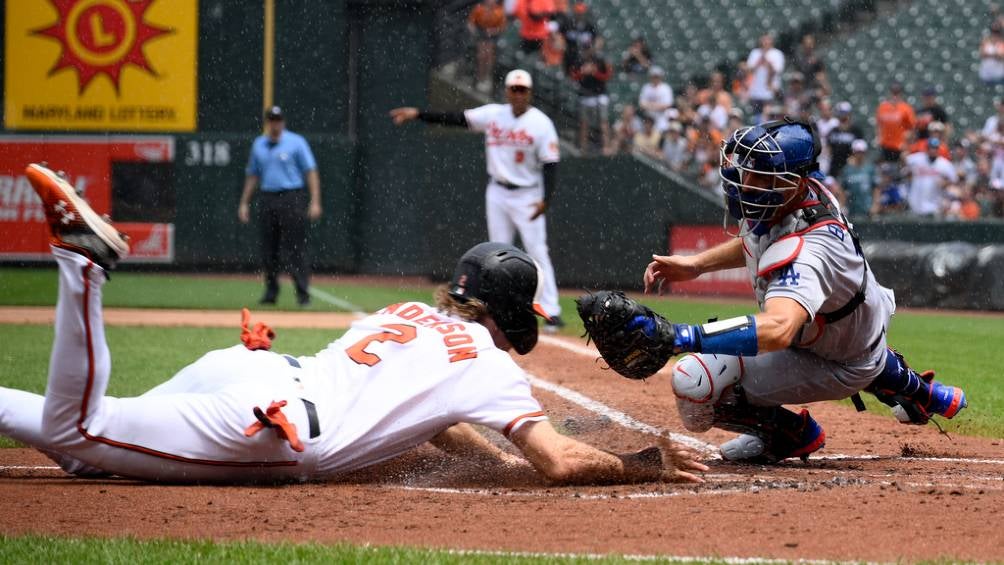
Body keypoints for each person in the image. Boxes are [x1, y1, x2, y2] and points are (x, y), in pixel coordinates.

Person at [3, 164, 709, 484]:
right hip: (275, 423)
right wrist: (640, 463)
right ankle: (84, 266)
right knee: (79, 429)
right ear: (503, 314)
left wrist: (487, 460)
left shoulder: (404, 313)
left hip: (254, 372)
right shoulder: (488, 362)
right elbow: (556, 460)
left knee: (83, 454)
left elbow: (440, 420)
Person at [635, 118, 967, 463]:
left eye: (761, 174)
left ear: (795, 182)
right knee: (826, 331)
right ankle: (910, 387)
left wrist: (680, 335)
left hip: (837, 359)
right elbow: (756, 240)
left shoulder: (808, 251)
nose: (745, 181)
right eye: (746, 169)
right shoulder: (795, 197)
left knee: (693, 381)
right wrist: (697, 265)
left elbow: (779, 329)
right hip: (849, 328)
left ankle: (790, 435)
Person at [389, 69, 565, 331]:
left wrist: (545, 200)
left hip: (528, 193)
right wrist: (418, 114)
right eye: (514, 89)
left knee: (537, 251)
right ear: (507, 91)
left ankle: (551, 310)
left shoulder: (541, 123)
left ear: (529, 93)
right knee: (499, 253)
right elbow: (457, 118)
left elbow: (551, 164)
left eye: (522, 90)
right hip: (497, 191)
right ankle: (500, 309)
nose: (518, 94)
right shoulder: (494, 114)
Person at [238, 106, 322, 307]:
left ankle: (303, 295)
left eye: (278, 119)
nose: (275, 123)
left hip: (291, 196)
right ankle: (271, 292)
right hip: (268, 197)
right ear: (268, 122)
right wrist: (244, 202)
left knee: (295, 248)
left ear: (283, 121)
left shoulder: (296, 142)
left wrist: (315, 201)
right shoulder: (260, 144)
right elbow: (253, 175)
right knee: (269, 249)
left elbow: (311, 171)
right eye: (272, 120)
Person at [570, 41, 612, 153]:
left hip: (600, 94)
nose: (587, 51)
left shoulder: (599, 60)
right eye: (585, 48)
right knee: (584, 123)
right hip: (585, 95)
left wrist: (594, 72)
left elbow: (608, 75)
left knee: (604, 122)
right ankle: (584, 149)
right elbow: (573, 76)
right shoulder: (579, 61)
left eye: (589, 48)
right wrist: (583, 72)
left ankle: (606, 147)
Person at [904, 137, 958, 217]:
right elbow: (904, 159)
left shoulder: (944, 164)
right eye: (931, 148)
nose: (933, 150)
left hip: (934, 206)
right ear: (927, 148)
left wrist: (945, 183)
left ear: (938, 149)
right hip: (915, 203)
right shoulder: (918, 158)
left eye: (935, 148)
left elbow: (954, 180)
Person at [468, 0, 508, 93]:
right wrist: (474, 30)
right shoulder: (479, 8)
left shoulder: (499, 11)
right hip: (481, 33)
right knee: (481, 55)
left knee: (488, 56)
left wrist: (493, 31)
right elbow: (471, 22)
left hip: (492, 36)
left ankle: (486, 77)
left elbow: (502, 27)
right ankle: (479, 76)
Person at [746, 34, 785, 119]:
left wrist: (767, 61)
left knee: (768, 116)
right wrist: (760, 60)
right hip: (756, 91)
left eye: (767, 40)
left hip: (770, 90)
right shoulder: (755, 53)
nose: (765, 43)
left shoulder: (777, 53)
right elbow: (749, 69)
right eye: (764, 40)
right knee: (757, 116)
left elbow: (778, 70)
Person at [875, 83, 916, 163]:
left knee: (899, 171)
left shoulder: (906, 108)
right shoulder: (882, 107)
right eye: (893, 92)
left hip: (900, 146)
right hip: (885, 145)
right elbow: (878, 125)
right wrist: (878, 137)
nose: (895, 95)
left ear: (901, 94)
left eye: (897, 93)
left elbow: (912, 128)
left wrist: (907, 145)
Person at [838, 139, 876, 218]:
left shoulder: (870, 168)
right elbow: (842, 189)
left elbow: (876, 188)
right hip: (852, 208)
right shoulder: (847, 170)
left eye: (862, 152)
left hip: (867, 208)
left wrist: (875, 205)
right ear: (853, 152)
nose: (860, 155)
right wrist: (842, 205)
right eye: (858, 152)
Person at [638, 66, 674, 132]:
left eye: (657, 76)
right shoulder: (646, 87)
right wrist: (657, 106)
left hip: (662, 117)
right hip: (648, 118)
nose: (655, 78)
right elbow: (641, 104)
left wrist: (650, 105)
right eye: (653, 76)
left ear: (660, 77)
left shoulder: (665, 88)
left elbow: (668, 105)